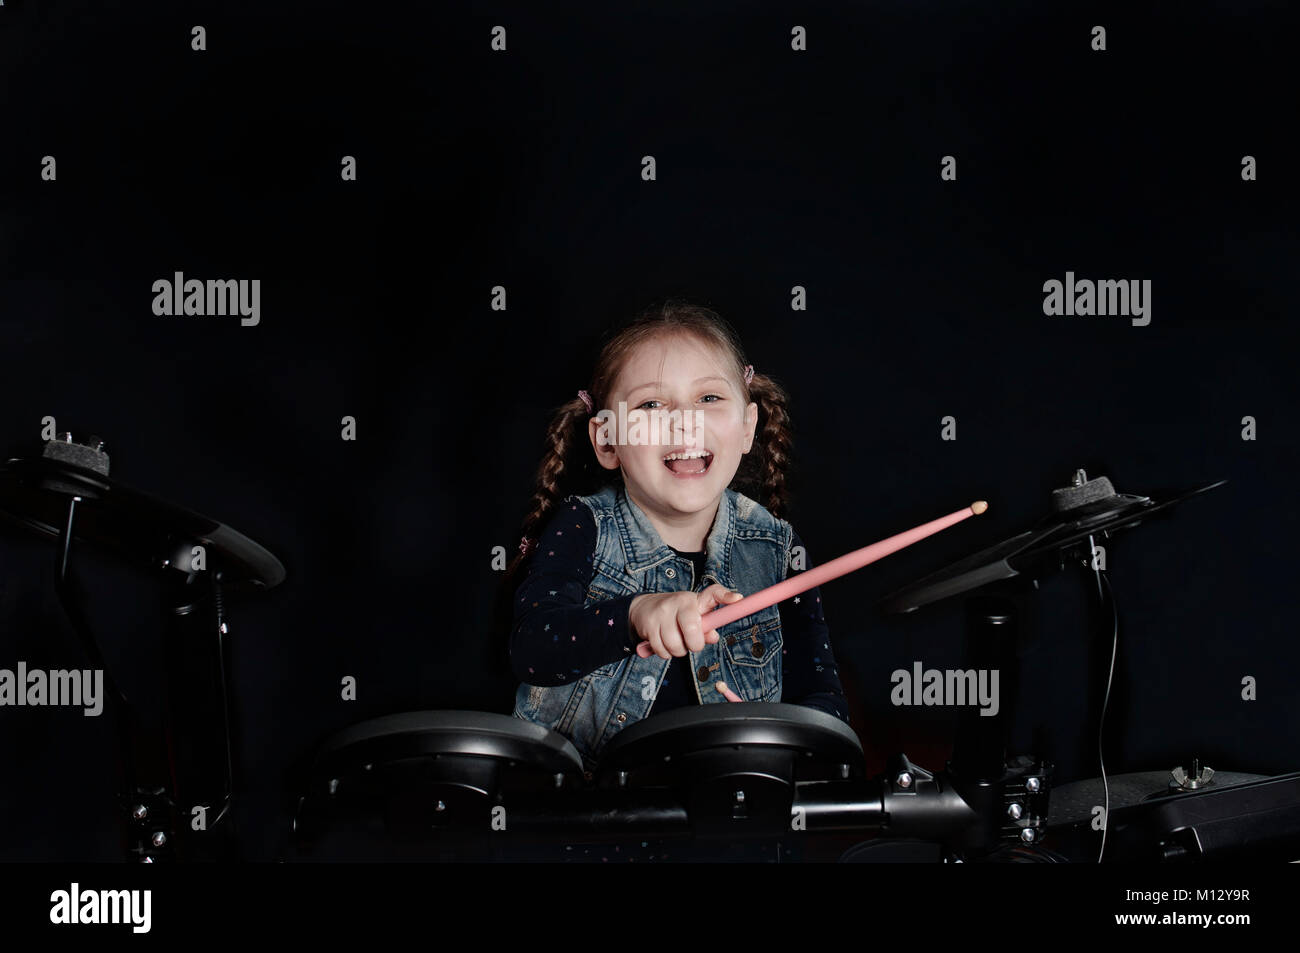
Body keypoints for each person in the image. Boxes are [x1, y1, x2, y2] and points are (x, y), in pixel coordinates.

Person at [503, 299, 849, 775]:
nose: (685, 422)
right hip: (590, 819)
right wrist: (634, 615)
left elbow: (820, 697)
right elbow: (534, 651)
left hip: (727, 815)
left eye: (708, 399)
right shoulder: (581, 526)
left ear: (748, 427)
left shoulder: (777, 547)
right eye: (650, 404)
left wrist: (778, 744)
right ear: (606, 441)